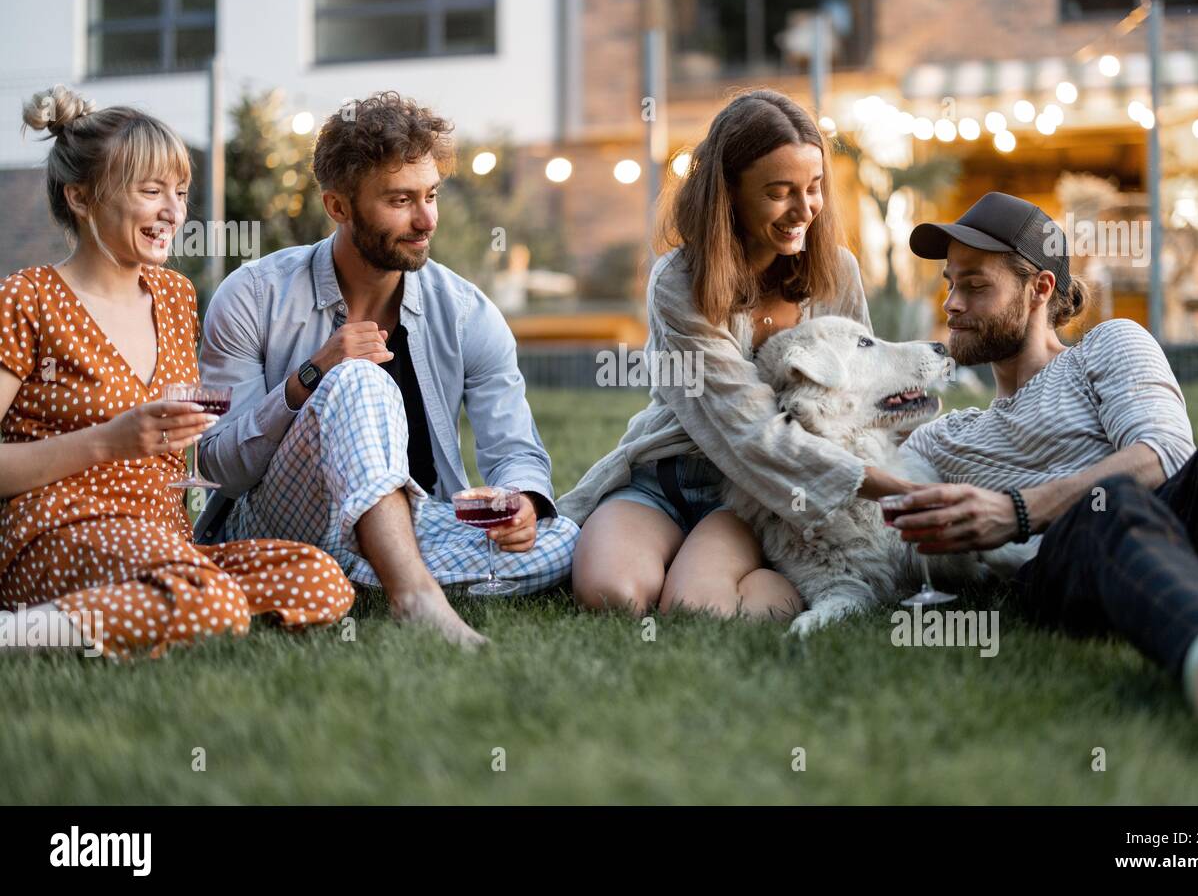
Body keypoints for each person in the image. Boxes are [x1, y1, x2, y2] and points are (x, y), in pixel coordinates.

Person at [887, 190, 1198, 755]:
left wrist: (1019, 510)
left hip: (1194, 530)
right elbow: (888, 529)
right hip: (1074, 570)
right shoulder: (944, 436)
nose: (952, 304)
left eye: (976, 285)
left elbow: (1163, 453)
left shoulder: (1106, 346)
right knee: (1108, 503)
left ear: (1040, 290)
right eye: (949, 284)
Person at [194, 91, 578, 650]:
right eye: (400, 200)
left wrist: (521, 499)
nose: (426, 220)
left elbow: (514, 448)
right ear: (339, 207)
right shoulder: (253, 295)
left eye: (431, 196)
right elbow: (219, 466)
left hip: (410, 525)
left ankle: (352, 580)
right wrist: (311, 375)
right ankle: (414, 596)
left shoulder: (466, 312)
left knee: (562, 539)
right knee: (357, 379)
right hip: (273, 524)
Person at [0, 86, 354, 659]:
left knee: (319, 577)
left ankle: (163, 606)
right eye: (151, 191)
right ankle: (30, 629)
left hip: (164, 538)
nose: (173, 211)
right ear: (82, 198)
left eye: (180, 192)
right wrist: (109, 442)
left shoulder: (174, 294)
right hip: (58, 533)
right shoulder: (26, 298)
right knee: (212, 601)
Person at [560, 89, 913, 619]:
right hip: (669, 478)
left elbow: (864, 393)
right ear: (727, 192)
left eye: (814, 188)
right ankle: (680, 559)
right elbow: (747, 428)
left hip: (763, 500)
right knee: (613, 595)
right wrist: (889, 488)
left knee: (697, 607)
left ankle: (755, 574)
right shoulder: (679, 281)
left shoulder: (837, 272)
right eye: (779, 192)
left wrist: (901, 477)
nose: (803, 210)